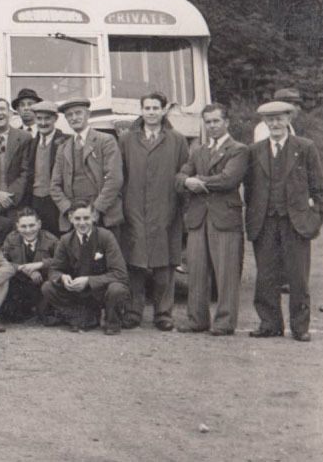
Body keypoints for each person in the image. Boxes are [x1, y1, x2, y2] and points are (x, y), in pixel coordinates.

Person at [245, 101, 323, 342]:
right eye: (270, 120)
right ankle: (269, 323)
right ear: (264, 123)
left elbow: (318, 187)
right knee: (266, 275)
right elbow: (250, 188)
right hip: (266, 222)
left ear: (289, 120)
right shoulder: (256, 150)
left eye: (279, 118)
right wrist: (255, 215)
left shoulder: (305, 148)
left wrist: (314, 217)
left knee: (298, 277)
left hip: (296, 223)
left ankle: (300, 327)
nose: (275, 124)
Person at [175, 103, 249, 336]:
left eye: (216, 121)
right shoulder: (199, 150)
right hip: (198, 217)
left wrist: (198, 182)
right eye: (208, 122)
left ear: (226, 122)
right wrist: (187, 181)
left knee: (226, 272)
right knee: (196, 270)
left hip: (225, 217)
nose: (212, 125)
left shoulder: (238, 149)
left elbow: (228, 179)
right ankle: (197, 320)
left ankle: (224, 322)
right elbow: (180, 176)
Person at [118, 92, 189, 331]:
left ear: (163, 110)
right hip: (134, 206)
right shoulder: (127, 139)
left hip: (165, 207)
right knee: (135, 262)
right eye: (146, 107)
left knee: (165, 263)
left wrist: (177, 206)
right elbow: (121, 174)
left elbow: (183, 173)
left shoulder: (177, 140)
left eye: (155, 108)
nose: (151, 112)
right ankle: (133, 311)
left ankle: (163, 313)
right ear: (141, 110)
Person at [41, 202, 129, 334]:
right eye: (77, 219)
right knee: (48, 287)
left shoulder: (106, 236)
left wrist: (89, 281)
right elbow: (54, 270)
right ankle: (79, 317)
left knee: (117, 289)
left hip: (100, 291)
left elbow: (120, 274)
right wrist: (62, 278)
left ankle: (112, 322)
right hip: (77, 291)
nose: (82, 223)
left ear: (94, 217)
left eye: (86, 218)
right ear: (70, 218)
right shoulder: (65, 240)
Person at [49, 97, 124, 233]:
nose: (74, 118)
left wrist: (97, 209)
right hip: (75, 218)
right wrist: (69, 210)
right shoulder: (63, 147)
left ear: (88, 115)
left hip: (103, 216)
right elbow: (54, 185)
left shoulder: (105, 141)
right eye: (69, 115)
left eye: (78, 113)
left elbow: (114, 179)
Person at [0, 207, 58, 323]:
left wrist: (40, 264)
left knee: (46, 317)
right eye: (23, 226)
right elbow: (1, 260)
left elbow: (61, 260)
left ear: (39, 224)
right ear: (17, 226)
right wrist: (22, 268)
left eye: (32, 225)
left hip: (42, 281)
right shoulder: (11, 238)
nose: (28, 230)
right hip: (20, 282)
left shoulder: (50, 239)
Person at [24, 100, 68, 232]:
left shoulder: (66, 141)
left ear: (55, 118)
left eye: (47, 118)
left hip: (56, 201)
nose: (43, 123)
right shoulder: (31, 143)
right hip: (35, 200)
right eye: (39, 119)